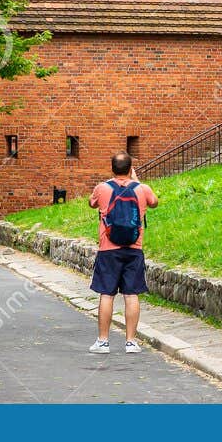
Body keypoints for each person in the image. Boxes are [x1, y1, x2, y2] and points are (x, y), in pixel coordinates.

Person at [86, 152, 158, 354]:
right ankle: (131, 342)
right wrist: (137, 181)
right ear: (130, 168)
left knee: (107, 294)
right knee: (131, 294)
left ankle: (103, 341)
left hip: (108, 249)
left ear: (112, 168)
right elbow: (154, 202)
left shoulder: (102, 188)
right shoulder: (142, 189)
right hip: (134, 249)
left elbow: (92, 203)